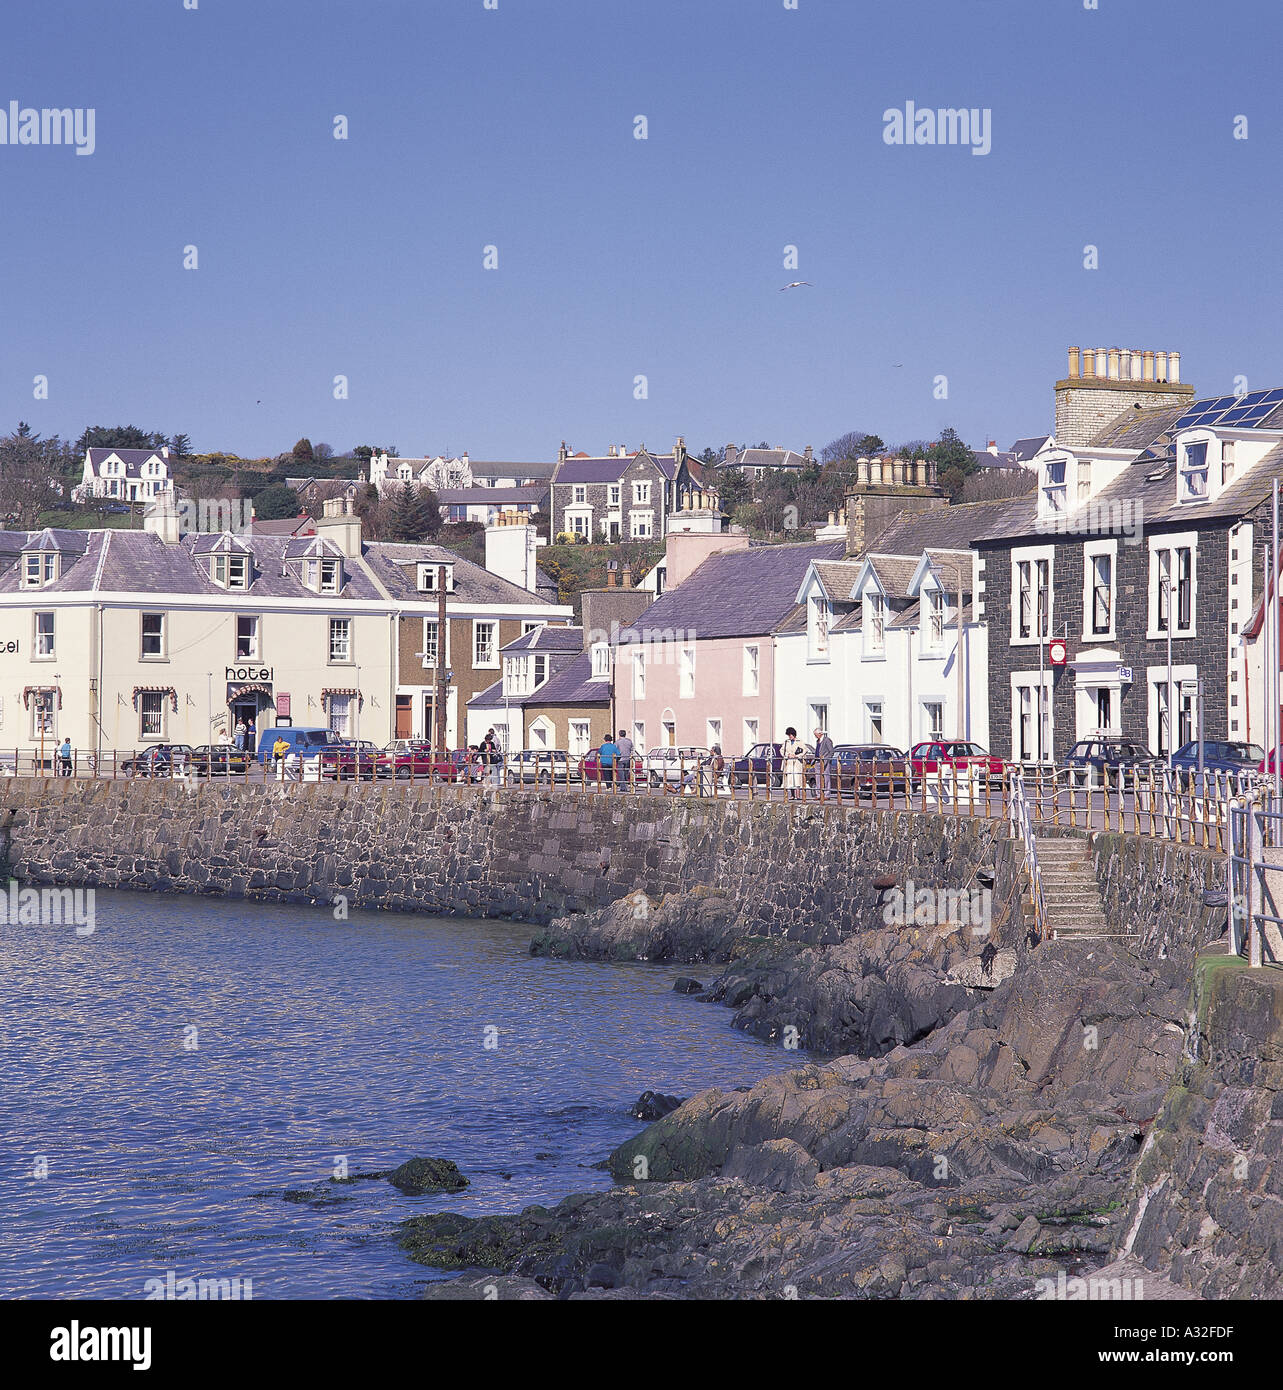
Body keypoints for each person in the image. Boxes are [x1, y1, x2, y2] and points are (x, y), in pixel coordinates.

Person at [781, 726, 805, 800]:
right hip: (789, 762)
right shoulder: (786, 742)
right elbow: (782, 750)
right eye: (788, 735)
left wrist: (796, 756)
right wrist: (787, 755)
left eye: (790, 735)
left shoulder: (800, 741)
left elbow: (804, 750)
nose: (789, 736)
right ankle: (792, 795)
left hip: (797, 762)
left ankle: (798, 795)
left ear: (794, 734)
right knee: (790, 779)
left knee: (797, 778)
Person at [814, 726, 835, 799]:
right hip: (817, 761)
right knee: (818, 778)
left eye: (815, 734)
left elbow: (831, 751)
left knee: (826, 778)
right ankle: (819, 794)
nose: (815, 736)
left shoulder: (827, 740)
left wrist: (827, 759)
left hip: (825, 761)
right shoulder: (818, 741)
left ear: (820, 733)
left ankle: (827, 794)